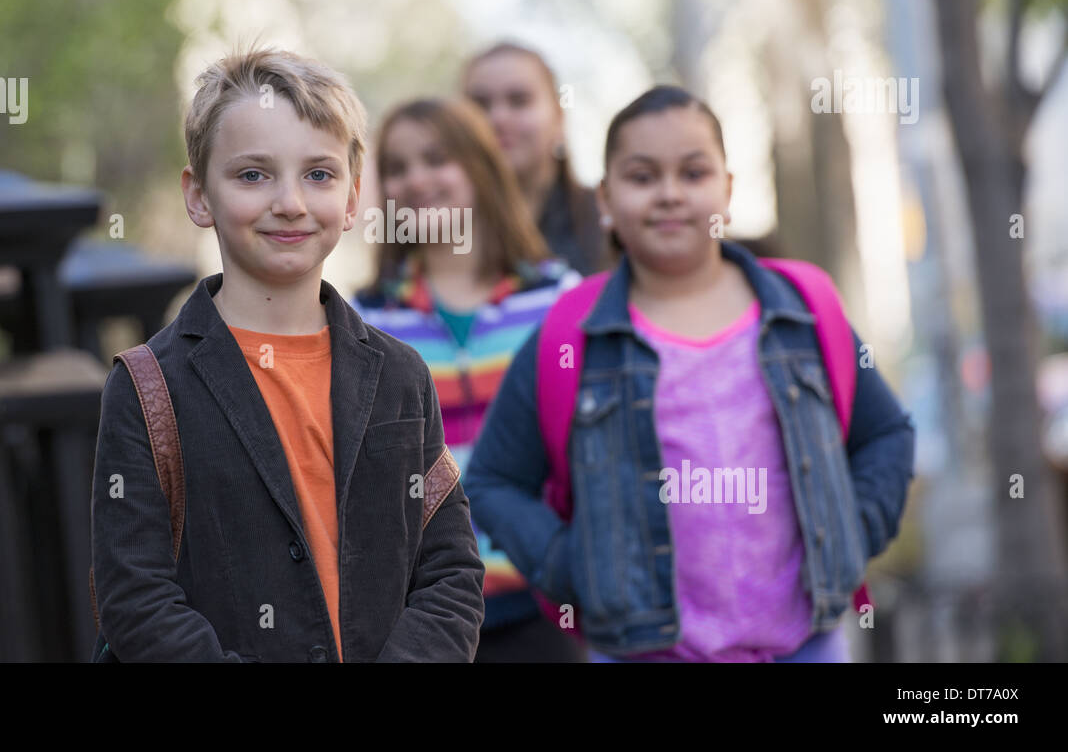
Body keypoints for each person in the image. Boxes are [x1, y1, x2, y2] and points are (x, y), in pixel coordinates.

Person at [464, 85, 915, 662]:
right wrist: (577, 568)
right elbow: (492, 481)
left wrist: (852, 533)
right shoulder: (568, 336)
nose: (670, 194)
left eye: (694, 173)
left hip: (806, 646)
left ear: (727, 190)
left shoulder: (803, 310)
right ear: (605, 199)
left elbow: (887, 434)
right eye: (643, 177)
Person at [90, 47, 484, 662]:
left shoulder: (401, 376)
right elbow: (135, 597)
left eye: (318, 175)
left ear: (353, 198)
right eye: (253, 175)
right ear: (199, 197)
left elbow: (451, 574)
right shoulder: (148, 387)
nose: (291, 202)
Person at [351, 96, 588, 661]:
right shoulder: (364, 321)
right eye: (399, 167)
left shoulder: (559, 301)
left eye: (437, 159)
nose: (417, 180)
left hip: (547, 607)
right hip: (423, 616)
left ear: (480, 167)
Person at [461, 41, 614, 275]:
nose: (497, 118)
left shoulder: (608, 220)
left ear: (558, 116)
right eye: (479, 104)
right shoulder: (435, 230)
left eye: (519, 100)